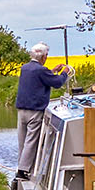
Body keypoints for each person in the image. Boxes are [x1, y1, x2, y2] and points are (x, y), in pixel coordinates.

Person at [14, 43, 72, 179]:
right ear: (44, 56)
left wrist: (52, 71)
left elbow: (39, 77)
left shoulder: (25, 68)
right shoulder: (41, 70)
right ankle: (23, 171)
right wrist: (64, 73)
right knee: (31, 140)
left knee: (22, 140)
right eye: (46, 55)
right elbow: (57, 83)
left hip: (21, 110)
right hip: (35, 111)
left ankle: (20, 167)